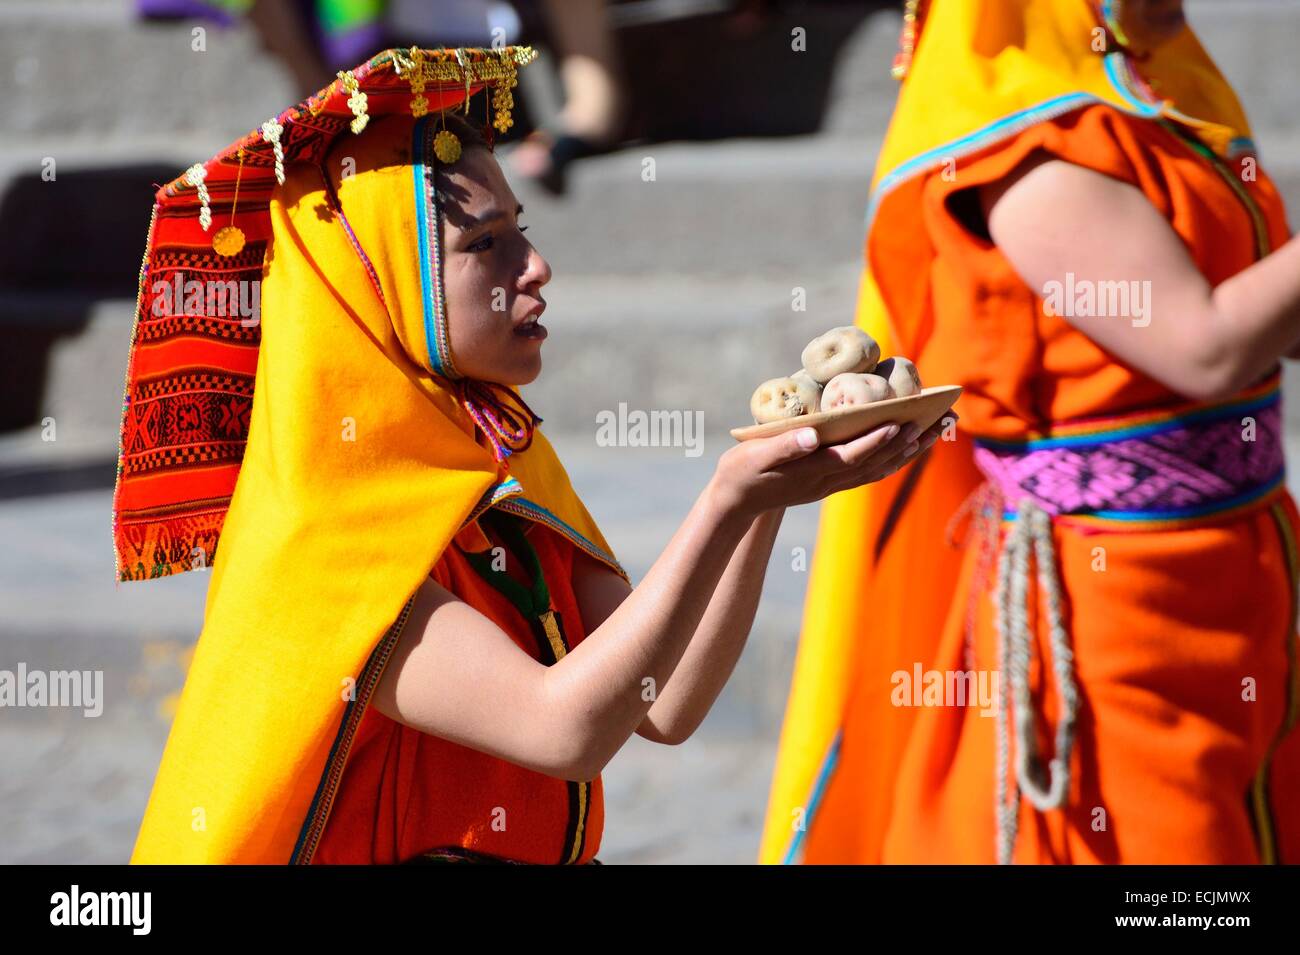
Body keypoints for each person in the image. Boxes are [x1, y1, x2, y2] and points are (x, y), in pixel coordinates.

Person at [115, 45, 941, 864]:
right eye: (484, 246)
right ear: (384, 284)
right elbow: (562, 728)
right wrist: (726, 498)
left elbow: (666, 702)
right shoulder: (322, 528)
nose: (536, 267)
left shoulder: (499, 453)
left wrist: (762, 501)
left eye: (523, 232)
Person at [763, 0, 1300, 865]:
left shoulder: (1152, 119)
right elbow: (1205, 348)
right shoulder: (1028, 156)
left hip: (1235, 561)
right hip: (1116, 602)